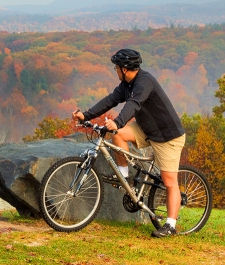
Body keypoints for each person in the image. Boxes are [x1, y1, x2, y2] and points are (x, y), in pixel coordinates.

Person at [72, 48, 186, 238]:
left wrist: (117, 122)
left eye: (116, 67)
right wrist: (86, 114)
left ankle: (171, 225)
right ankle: (124, 177)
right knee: (118, 135)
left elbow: (133, 105)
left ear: (125, 69)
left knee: (169, 181)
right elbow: (111, 100)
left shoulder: (144, 82)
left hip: (168, 136)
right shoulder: (126, 83)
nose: (115, 70)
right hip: (146, 129)